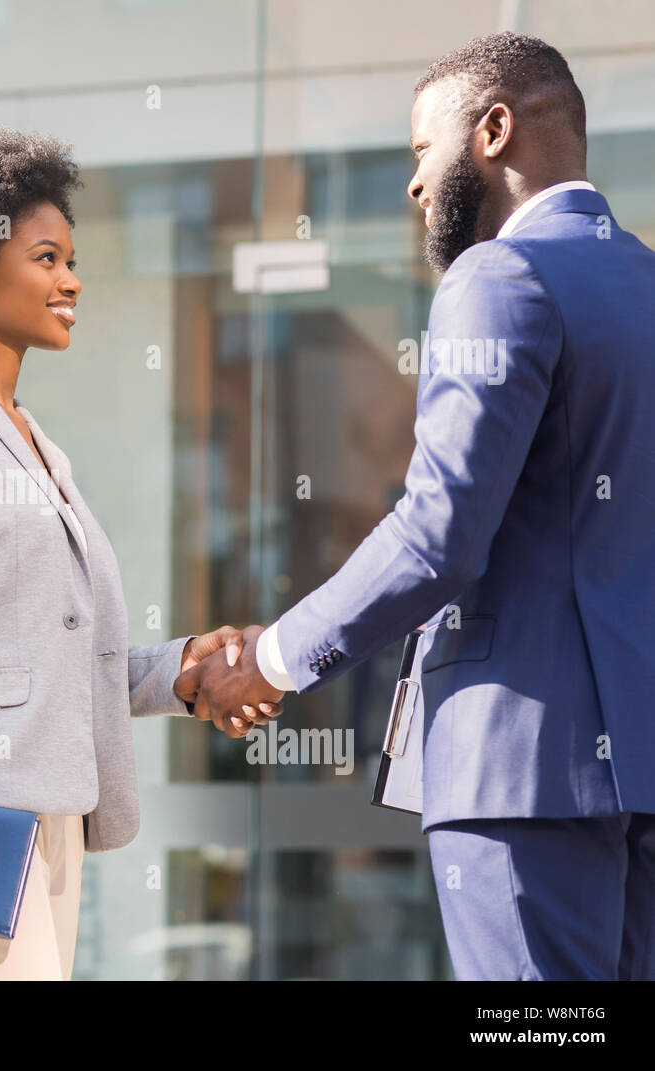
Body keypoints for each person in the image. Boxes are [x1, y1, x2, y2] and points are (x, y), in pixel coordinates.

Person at [175, 32, 655, 980]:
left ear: (493, 129)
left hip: (524, 771)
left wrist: (273, 657)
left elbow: (440, 535)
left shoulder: (497, 276)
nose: (413, 186)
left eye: (418, 154)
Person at [0, 127, 280, 981]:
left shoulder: (41, 447)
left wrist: (182, 670)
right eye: (46, 257)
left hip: (54, 812)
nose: (71, 279)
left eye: (72, 258)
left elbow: (64, 650)